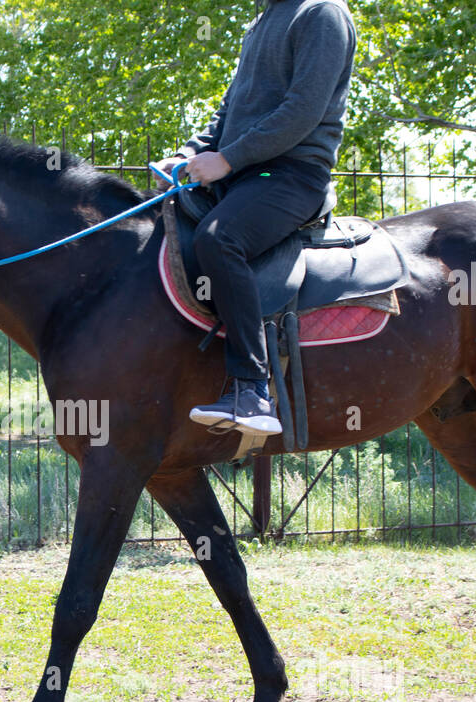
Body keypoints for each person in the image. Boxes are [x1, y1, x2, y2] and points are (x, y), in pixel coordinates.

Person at [153, 0, 357, 437]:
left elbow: (302, 112)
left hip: (292, 175)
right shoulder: (263, 19)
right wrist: (190, 153)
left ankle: (253, 390)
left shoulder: (321, 14)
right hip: (244, 174)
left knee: (218, 238)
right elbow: (229, 110)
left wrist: (227, 159)